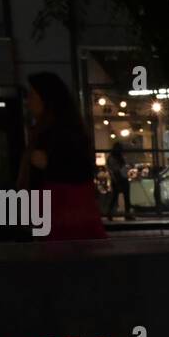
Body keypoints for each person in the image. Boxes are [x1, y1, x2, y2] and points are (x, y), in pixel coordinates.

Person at [19, 71, 107, 241]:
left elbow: (77, 172)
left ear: (46, 99)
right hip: (60, 220)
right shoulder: (58, 130)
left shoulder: (56, 133)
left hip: (61, 221)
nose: (28, 102)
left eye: (32, 95)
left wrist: (49, 165)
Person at [105, 141, 134, 221]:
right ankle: (124, 214)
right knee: (120, 197)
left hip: (120, 178)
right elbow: (115, 170)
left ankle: (111, 213)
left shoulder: (115, 157)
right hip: (119, 178)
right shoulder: (115, 158)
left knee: (118, 197)